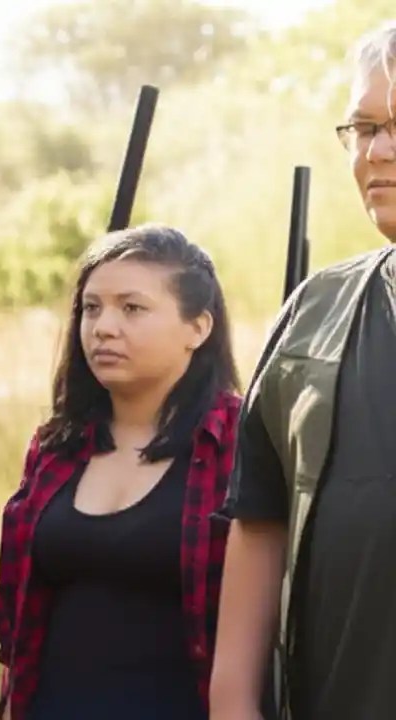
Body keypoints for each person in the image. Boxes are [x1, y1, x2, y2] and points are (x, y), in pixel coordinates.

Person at [210, 22, 396, 720]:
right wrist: (233, 703)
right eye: (362, 126)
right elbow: (259, 519)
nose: (376, 152)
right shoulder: (314, 317)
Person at [0, 225, 242, 720]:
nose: (103, 327)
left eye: (132, 308)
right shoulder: (56, 446)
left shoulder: (241, 444)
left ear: (198, 327)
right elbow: (16, 626)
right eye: (91, 307)